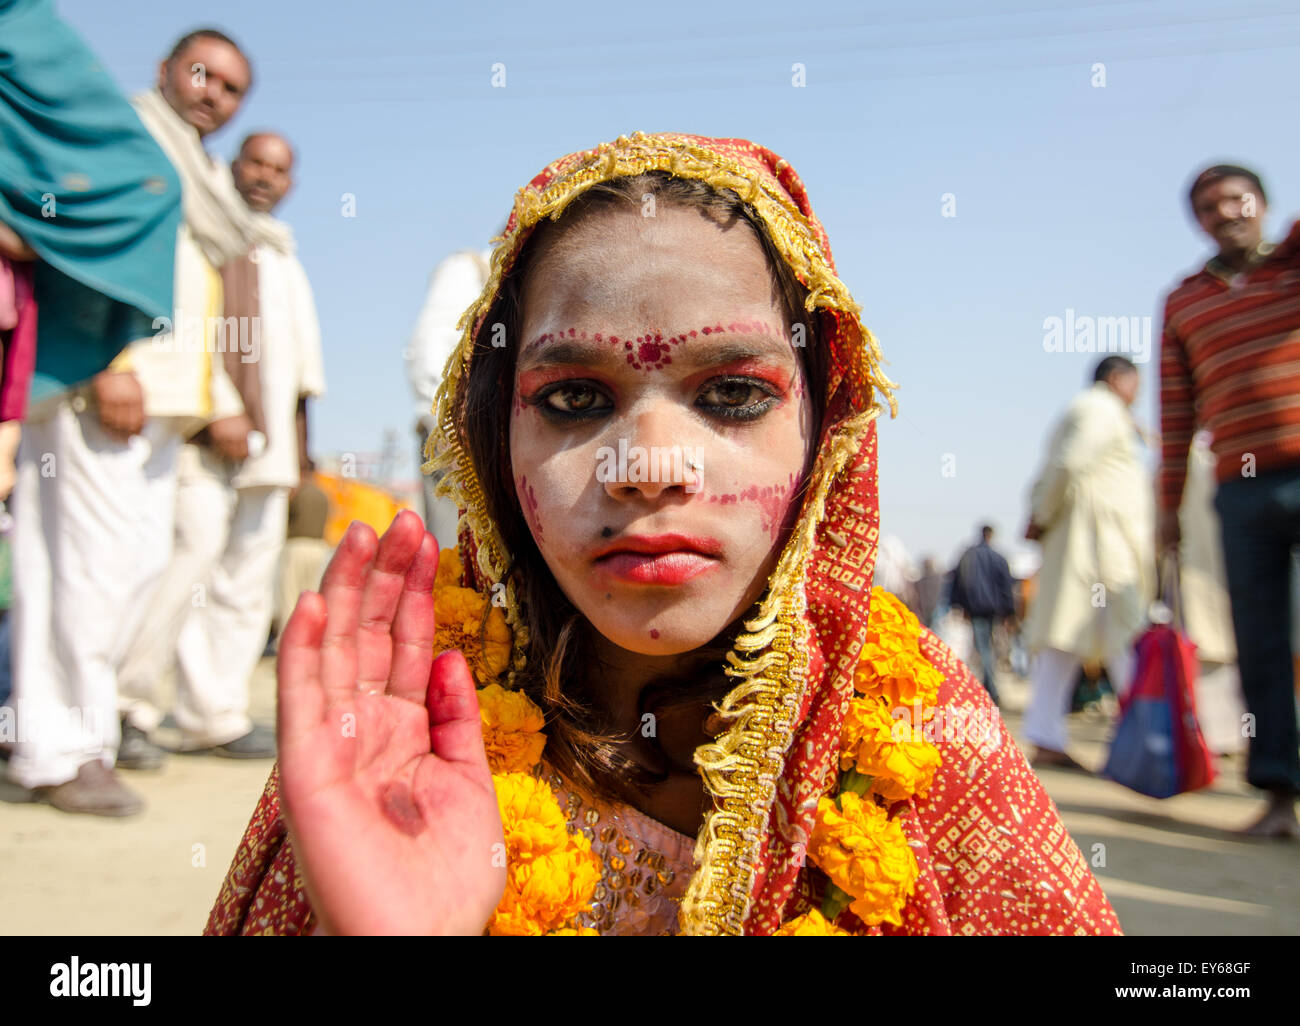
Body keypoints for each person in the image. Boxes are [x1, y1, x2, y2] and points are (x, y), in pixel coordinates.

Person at [205, 133, 1120, 936]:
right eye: (573, 399)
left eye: (733, 395)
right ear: (492, 436)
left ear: (826, 430)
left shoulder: (928, 739)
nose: (646, 467)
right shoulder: (404, 737)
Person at [2, 3, 193, 815]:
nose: (213, 93)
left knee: (98, 564)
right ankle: (61, 747)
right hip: (78, 371)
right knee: (81, 563)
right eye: (202, 74)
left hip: (57, 352)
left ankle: (58, 739)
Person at [118, 131, 324, 767]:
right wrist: (224, 410)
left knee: (244, 580)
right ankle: (130, 709)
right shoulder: (209, 235)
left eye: (279, 169)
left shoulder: (283, 253)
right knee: (186, 561)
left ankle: (215, 716)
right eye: (255, 163)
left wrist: (299, 452)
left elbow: (300, 372)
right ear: (234, 167)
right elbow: (195, 335)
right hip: (209, 430)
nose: (265, 176)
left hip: (271, 449)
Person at [1157, 163, 1300, 838]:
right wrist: (1167, 512)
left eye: (1237, 199)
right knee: (1260, 642)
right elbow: (1176, 412)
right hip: (1240, 494)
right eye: (1209, 207)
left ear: (1265, 205)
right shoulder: (1183, 301)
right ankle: (1278, 793)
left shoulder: (1292, 270)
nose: (1225, 212)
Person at [1021, 356, 1153, 772]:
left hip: (1093, 543)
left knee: (1070, 636)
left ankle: (1048, 736)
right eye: (1136, 382)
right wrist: (1041, 514)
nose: (1140, 392)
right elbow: (1067, 464)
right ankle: (1150, 741)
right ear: (1118, 379)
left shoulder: (1106, 412)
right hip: (1097, 544)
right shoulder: (1097, 407)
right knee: (1124, 634)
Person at [405, 247, 491, 549]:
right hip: (450, 433)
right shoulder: (466, 269)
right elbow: (429, 352)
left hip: (483, 438)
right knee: (453, 547)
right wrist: (451, 429)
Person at [948, 525, 1015, 706]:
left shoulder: (968, 556)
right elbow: (1006, 586)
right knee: (988, 648)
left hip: (974, 608)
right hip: (993, 609)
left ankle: (988, 688)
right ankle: (990, 689)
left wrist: (959, 606)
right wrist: (1009, 612)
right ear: (991, 536)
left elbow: (958, 581)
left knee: (983, 647)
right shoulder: (998, 558)